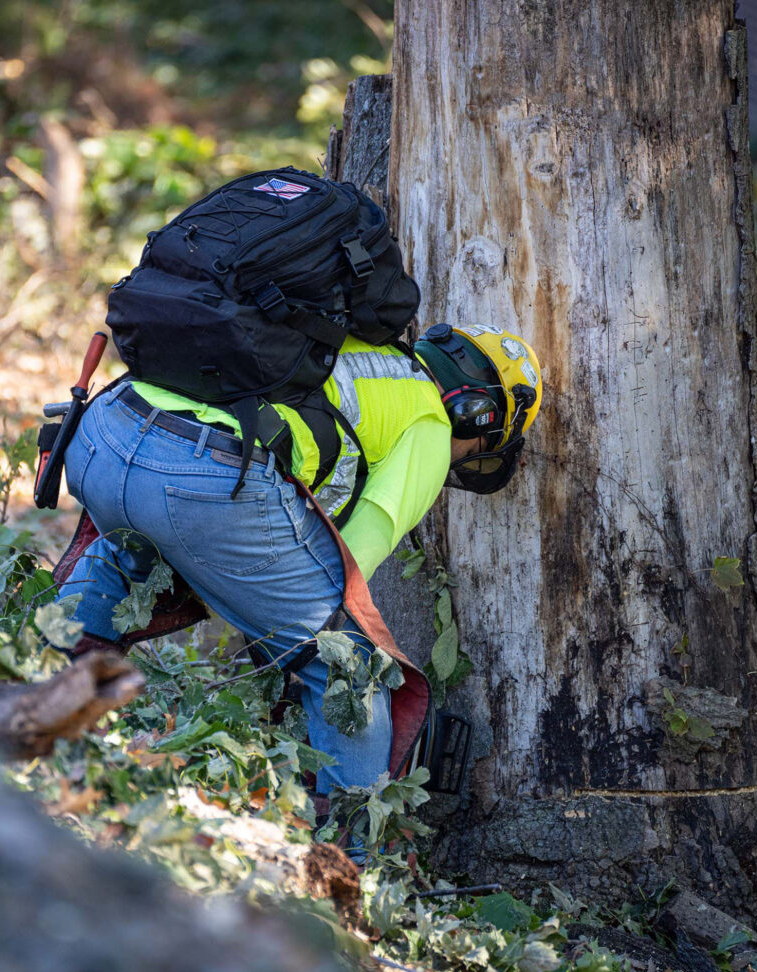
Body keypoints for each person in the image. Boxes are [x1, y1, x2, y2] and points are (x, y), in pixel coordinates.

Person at [56, 322, 541, 796]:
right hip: (200, 478)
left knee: (125, 561)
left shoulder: (361, 348)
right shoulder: (432, 425)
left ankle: (37, 706)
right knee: (350, 665)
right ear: (477, 414)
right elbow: (347, 573)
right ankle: (351, 858)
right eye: (477, 446)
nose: (463, 456)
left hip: (105, 431)